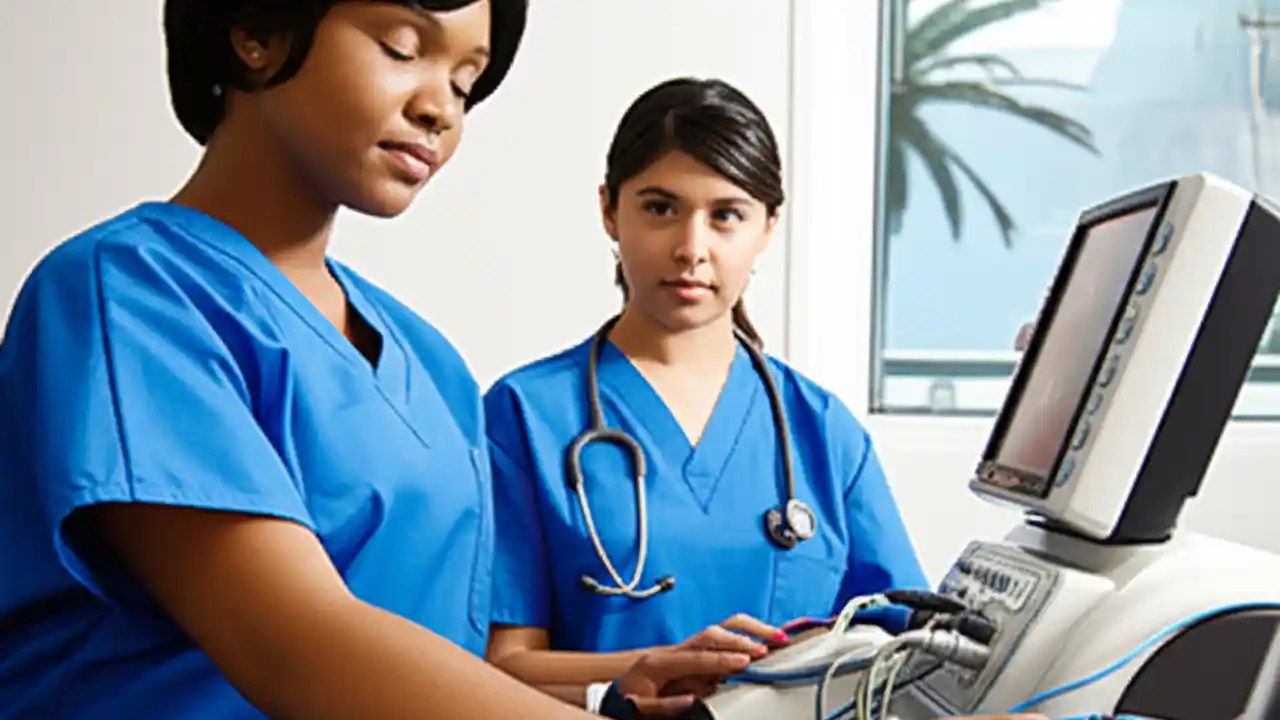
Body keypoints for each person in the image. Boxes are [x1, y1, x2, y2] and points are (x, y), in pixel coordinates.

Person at [0, 3, 758, 718]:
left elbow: (438, 666)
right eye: (402, 49)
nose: (441, 109)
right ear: (256, 31)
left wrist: (612, 689)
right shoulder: (128, 294)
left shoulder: (433, 364)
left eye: (466, 83)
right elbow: (292, 645)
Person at [484, 76, 930, 709]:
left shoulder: (822, 430)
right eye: (661, 208)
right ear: (610, 210)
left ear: (768, 227)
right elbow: (501, 665)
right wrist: (646, 668)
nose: (692, 248)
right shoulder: (525, 416)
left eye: (726, 215)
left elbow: (908, 649)